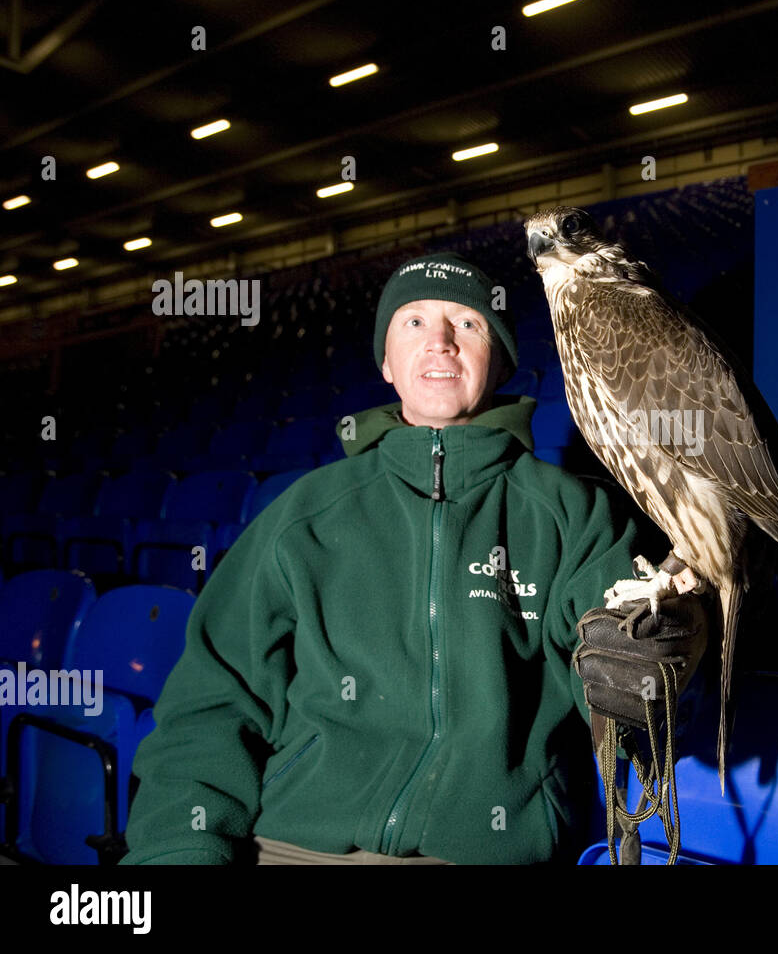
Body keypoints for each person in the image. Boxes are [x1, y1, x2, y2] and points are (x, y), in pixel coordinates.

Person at [121, 251, 704, 864]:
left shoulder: (574, 513)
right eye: (414, 322)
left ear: (498, 360)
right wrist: (179, 851)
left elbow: (625, 644)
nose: (442, 342)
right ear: (386, 364)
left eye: (468, 324)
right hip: (295, 848)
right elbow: (213, 704)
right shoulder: (306, 515)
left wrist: (662, 639)